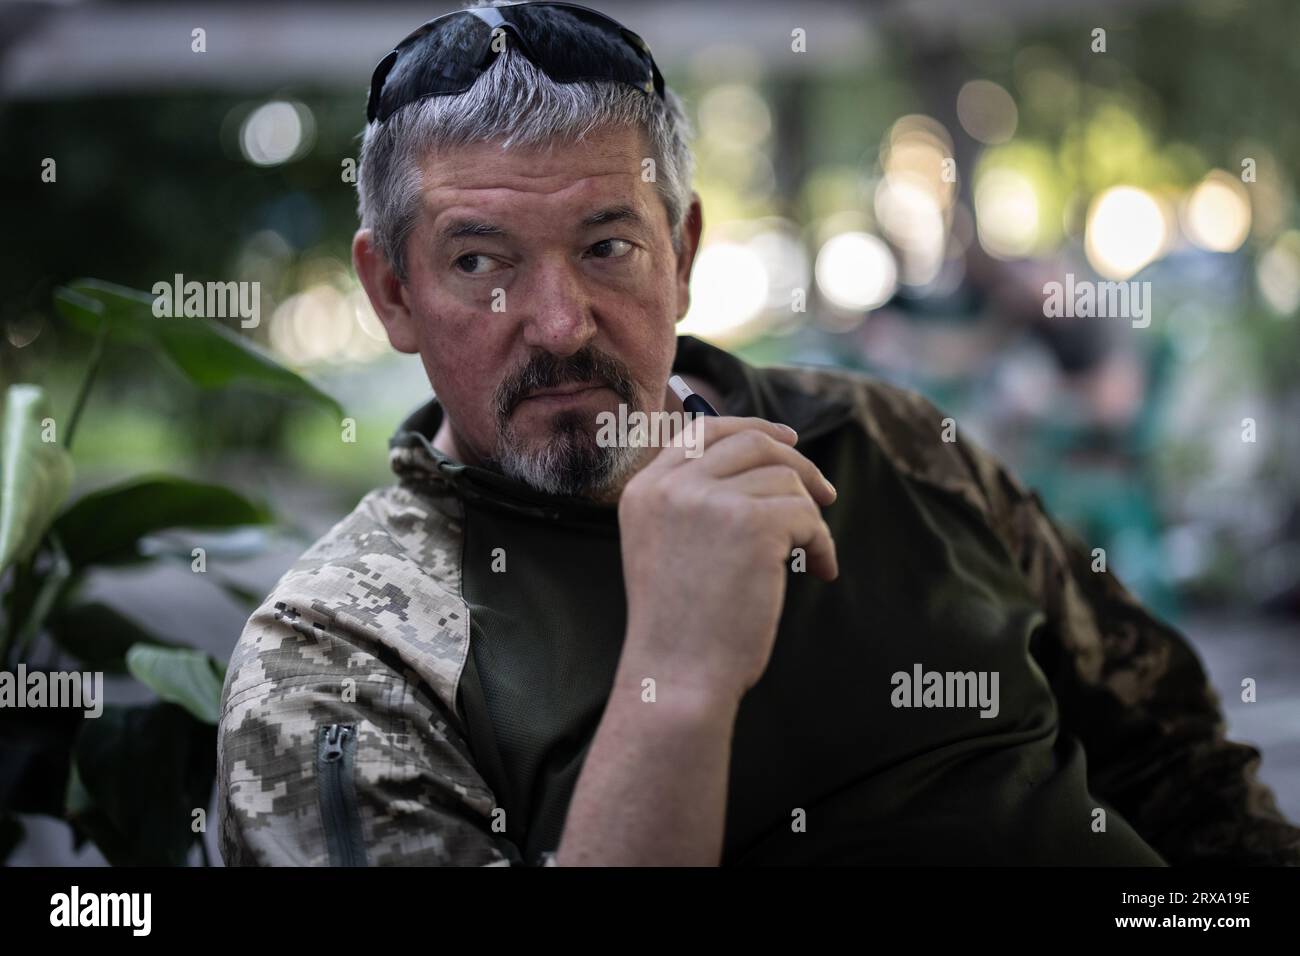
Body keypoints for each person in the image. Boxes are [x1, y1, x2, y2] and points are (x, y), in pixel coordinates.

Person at [216, 0, 1300, 866]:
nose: (557, 323)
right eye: (478, 262)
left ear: (681, 252)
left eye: (606, 246)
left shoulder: (884, 439)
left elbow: (1181, 766)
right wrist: (678, 678)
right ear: (391, 292)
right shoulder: (346, 652)